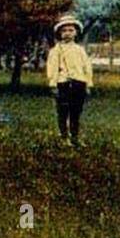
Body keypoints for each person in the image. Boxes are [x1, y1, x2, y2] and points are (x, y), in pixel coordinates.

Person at [46, 15, 93, 147]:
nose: (68, 33)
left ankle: (75, 136)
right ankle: (64, 137)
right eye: (64, 30)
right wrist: (53, 84)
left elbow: (86, 68)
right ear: (59, 33)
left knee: (76, 112)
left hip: (79, 83)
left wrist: (88, 84)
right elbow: (52, 68)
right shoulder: (56, 50)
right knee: (63, 111)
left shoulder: (80, 50)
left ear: (76, 32)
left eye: (71, 30)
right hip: (63, 83)